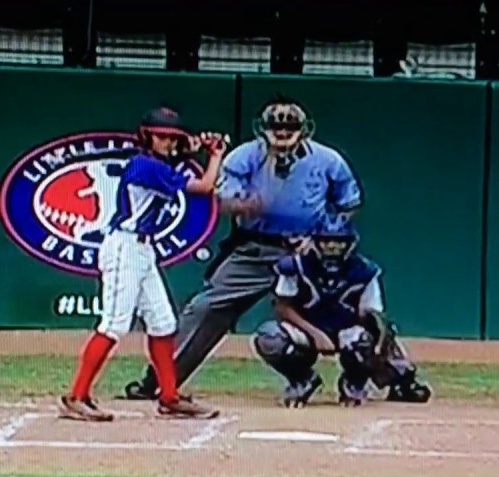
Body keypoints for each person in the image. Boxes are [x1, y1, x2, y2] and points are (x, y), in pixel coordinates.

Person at [121, 95, 361, 401]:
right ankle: (159, 380)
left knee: (351, 307)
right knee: (206, 307)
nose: (283, 132)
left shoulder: (329, 160)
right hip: (255, 250)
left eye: (290, 127)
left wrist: (322, 238)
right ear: (263, 129)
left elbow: (349, 203)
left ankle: (397, 374)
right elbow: (223, 201)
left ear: (304, 129)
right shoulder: (244, 156)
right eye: (276, 126)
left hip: (309, 252)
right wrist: (246, 205)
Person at [58, 106, 227, 422]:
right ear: (147, 136)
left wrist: (191, 146)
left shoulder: (158, 164)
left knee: (164, 323)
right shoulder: (145, 166)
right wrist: (215, 155)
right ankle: (75, 396)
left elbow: (175, 162)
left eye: (170, 138)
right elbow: (204, 187)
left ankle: (169, 396)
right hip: (124, 247)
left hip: (143, 251)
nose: (167, 142)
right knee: (113, 325)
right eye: (161, 136)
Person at [250, 234, 432, 406]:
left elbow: (372, 315)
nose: (332, 247)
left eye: (339, 242)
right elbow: (282, 307)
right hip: (307, 329)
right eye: (326, 241)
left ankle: (354, 382)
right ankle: (302, 380)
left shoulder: (365, 271)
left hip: (348, 330)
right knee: (270, 337)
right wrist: (316, 334)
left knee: (365, 340)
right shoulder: (295, 266)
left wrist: (377, 351)